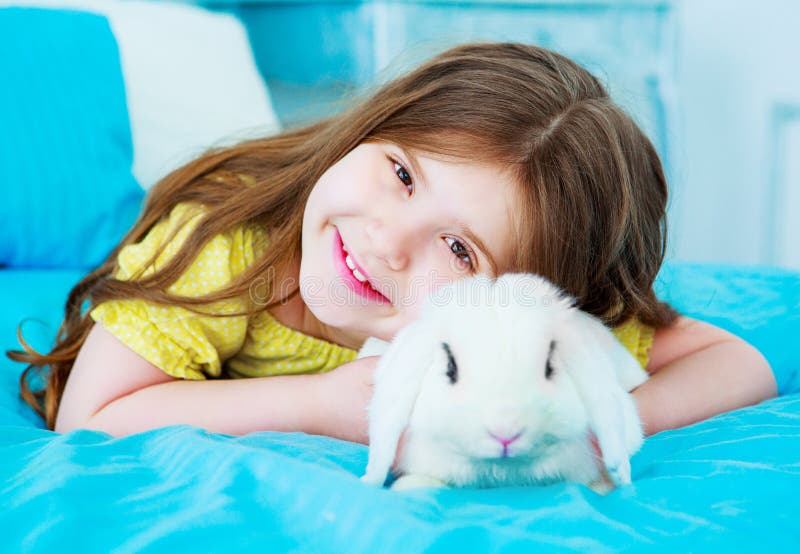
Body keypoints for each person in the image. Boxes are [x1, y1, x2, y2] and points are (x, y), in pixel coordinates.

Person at [10, 42, 776, 443]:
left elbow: (738, 362)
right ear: (370, 129)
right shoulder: (229, 247)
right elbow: (93, 416)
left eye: (461, 249)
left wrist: (599, 416)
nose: (387, 242)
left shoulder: (511, 321)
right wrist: (316, 403)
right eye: (403, 174)